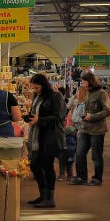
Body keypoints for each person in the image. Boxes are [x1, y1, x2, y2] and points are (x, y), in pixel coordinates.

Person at [26, 73, 65, 208]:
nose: (35, 91)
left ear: (43, 85)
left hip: (49, 137)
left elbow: (58, 117)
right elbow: (37, 113)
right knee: (35, 165)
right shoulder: (37, 97)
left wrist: (39, 120)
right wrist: (29, 117)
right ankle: (43, 195)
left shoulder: (55, 96)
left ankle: (50, 198)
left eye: (37, 88)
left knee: (47, 167)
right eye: (33, 88)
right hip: (37, 136)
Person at [71, 72, 110, 186]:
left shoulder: (102, 93)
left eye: (84, 81)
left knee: (96, 156)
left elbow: (107, 110)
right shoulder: (87, 93)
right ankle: (81, 177)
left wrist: (92, 116)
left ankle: (97, 178)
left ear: (90, 82)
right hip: (85, 128)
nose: (82, 83)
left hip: (97, 130)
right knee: (79, 153)